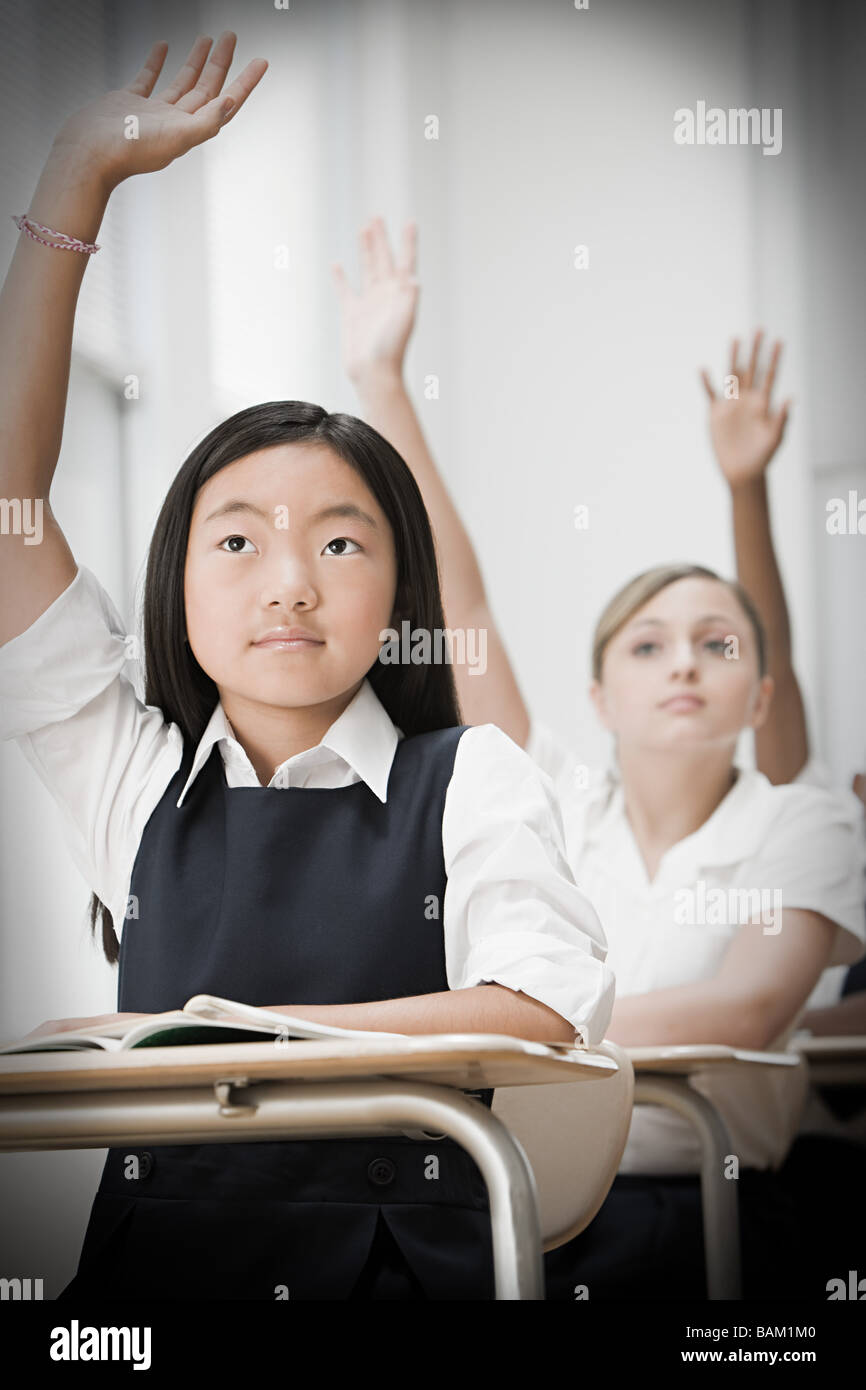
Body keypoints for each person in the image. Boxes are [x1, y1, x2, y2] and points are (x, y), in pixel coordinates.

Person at [0, 34, 616, 1301]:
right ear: (177, 581)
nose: (288, 579)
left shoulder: (473, 779)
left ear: (398, 591)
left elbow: (534, 1008)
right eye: (237, 541)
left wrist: (223, 1033)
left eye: (341, 542)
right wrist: (74, 182)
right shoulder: (132, 776)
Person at [331, 218, 866, 1297]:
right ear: (597, 694)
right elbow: (462, 602)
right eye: (646, 644)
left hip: (716, 1214)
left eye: (716, 647)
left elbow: (746, 1010)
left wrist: (525, 1021)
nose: (682, 666)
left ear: (756, 693)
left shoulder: (802, 824)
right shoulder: (551, 802)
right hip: (529, 1206)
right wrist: (382, 382)